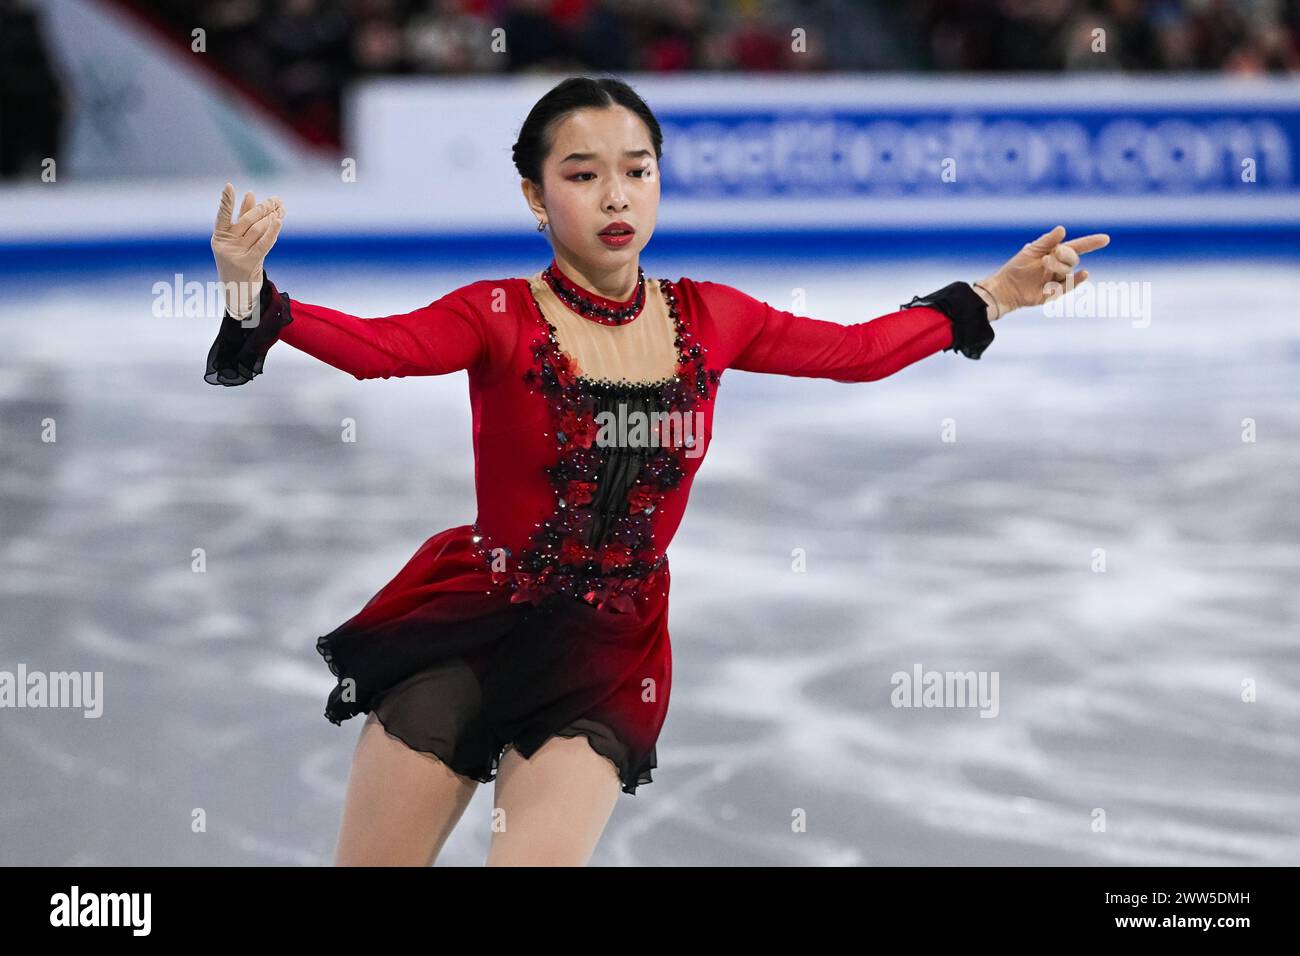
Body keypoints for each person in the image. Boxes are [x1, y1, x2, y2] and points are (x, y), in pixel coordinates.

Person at [205, 75, 1110, 866]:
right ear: (534, 194)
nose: (616, 195)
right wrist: (252, 294)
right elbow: (381, 350)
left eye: (637, 170)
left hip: (609, 652)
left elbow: (860, 353)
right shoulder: (495, 314)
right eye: (582, 173)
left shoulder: (714, 316)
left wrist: (995, 295)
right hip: (472, 629)